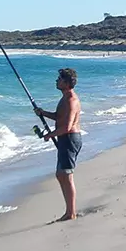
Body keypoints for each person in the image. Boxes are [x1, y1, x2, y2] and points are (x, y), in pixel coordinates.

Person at [34, 67, 83, 222]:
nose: (57, 80)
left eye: (60, 79)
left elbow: (67, 127)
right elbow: (59, 117)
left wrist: (50, 135)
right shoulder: (64, 98)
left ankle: (71, 213)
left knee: (66, 175)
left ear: (67, 83)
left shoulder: (71, 101)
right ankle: (69, 211)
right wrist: (43, 113)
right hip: (65, 139)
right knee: (61, 174)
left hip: (69, 139)